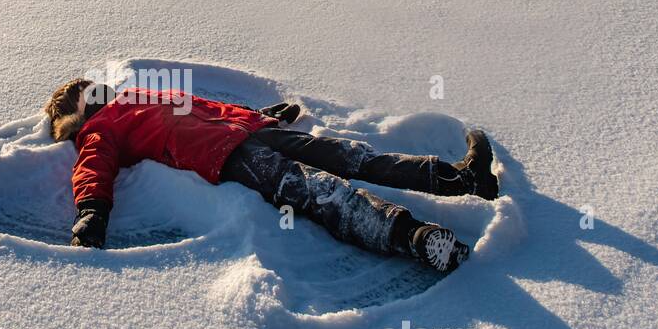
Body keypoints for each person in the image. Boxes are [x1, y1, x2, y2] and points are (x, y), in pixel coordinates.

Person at [42, 79, 498, 272]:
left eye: (92, 82)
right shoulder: (99, 128)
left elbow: (203, 107)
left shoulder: (138, 94)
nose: (95, 87)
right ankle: (415, 238)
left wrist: (258, 115)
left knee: (348, 155)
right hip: (223, 156)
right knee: (320, 192)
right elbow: (93, 167)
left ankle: (459, 179)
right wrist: (91, 212)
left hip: (250, 131)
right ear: (78, 109)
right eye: (85, 91)